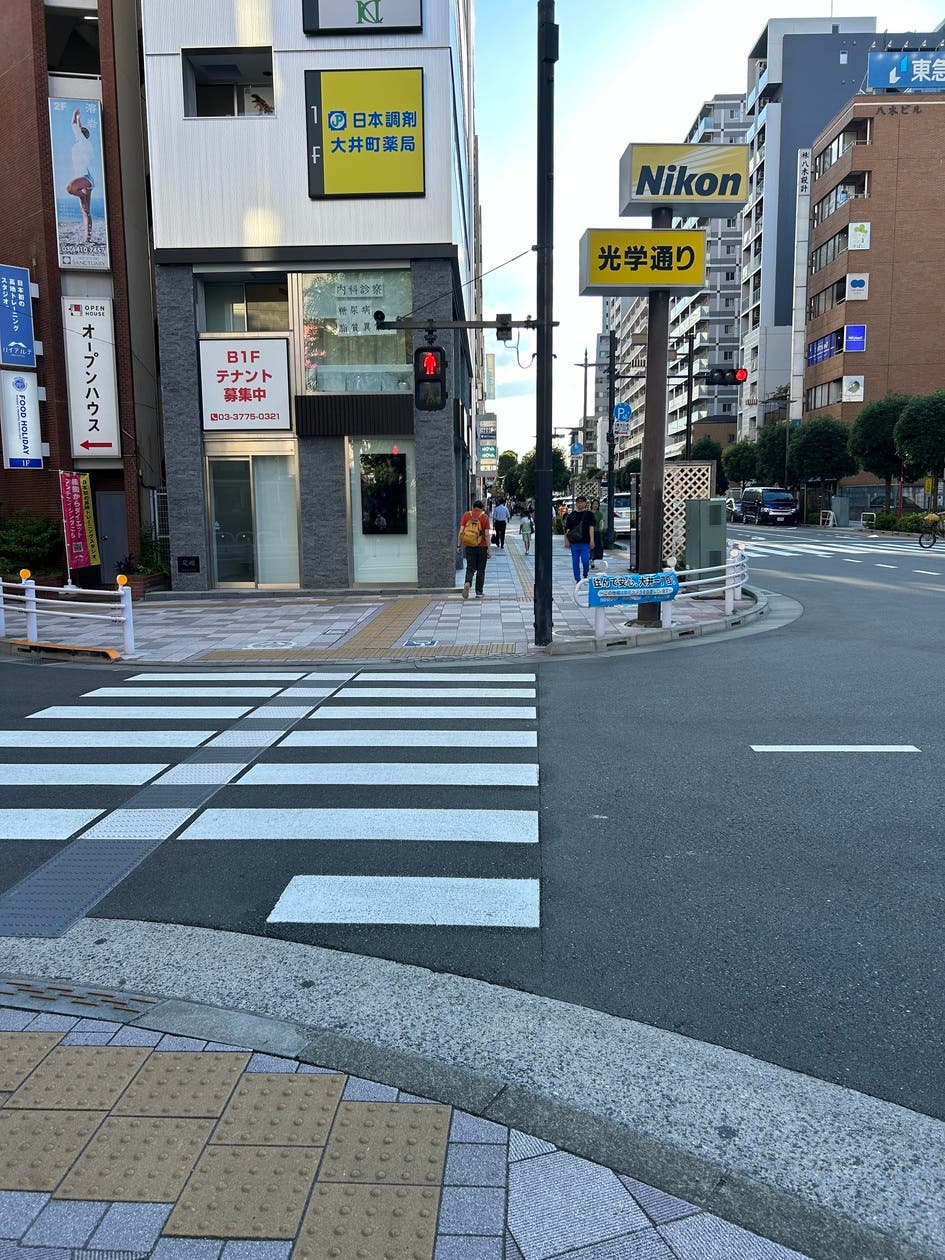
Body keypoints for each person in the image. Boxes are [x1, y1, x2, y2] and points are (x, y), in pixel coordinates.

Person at [67, 108, 96, 244]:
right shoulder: (83, 144)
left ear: (81, 135)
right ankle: (87, 238)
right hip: (83, 178)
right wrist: (79, 121)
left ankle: (82, 195)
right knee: (85, 211)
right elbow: (78, 129)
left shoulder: (84, 143)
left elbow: (75, 126)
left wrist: (76, 115)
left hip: (86, 177)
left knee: (70, 188)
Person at [457, 499, 492, 599]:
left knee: (470, 567)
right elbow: (486, 534)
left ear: (473, 507)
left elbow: (461, 532)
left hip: (469, 546)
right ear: (482, 508)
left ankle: (467, 583)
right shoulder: (484, 517)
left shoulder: (466, 515)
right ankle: (479, 592)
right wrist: (489, 549)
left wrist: (459, 545)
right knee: (481, 569)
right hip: (482, 547)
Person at [564, 495, 595, 582]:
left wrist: (592, 540)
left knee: (585, 561)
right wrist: (567, 541)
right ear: (576, 503)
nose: (580, 504)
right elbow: (568, 529)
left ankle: (586, 572)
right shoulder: (571, 515)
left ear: (585, 503)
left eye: (582, 502)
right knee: (575, 562)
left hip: (585, 542)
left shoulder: (589, 514)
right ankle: (577, 579)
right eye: (578, 502)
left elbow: (591, 528)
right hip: (574, 542)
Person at [590, 498, 605, 569]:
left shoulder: (599, 514)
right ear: (591, 505)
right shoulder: (589, 513)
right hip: (589, 532)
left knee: (597, 546)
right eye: (594, 504)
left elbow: (601, 521)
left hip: (597, 532)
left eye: (597, 504)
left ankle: (594, 559)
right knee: (590, 546)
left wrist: (601, 528)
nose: (595, 505)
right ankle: (591, 560)